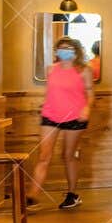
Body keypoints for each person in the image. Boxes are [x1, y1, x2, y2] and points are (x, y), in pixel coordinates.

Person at [30, 36, 94, 210]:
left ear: (75, 52)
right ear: (57, 51)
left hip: (75, 116)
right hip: (50, 115)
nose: (64, 51)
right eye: (61, 48)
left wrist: (87, 108)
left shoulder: (84, 70)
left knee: (68, 155)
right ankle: (33, 196)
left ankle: (72, 194)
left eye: (68, 48)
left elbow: (90, 93)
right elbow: (51, 91)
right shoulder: (51, 69)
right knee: (44, 157)